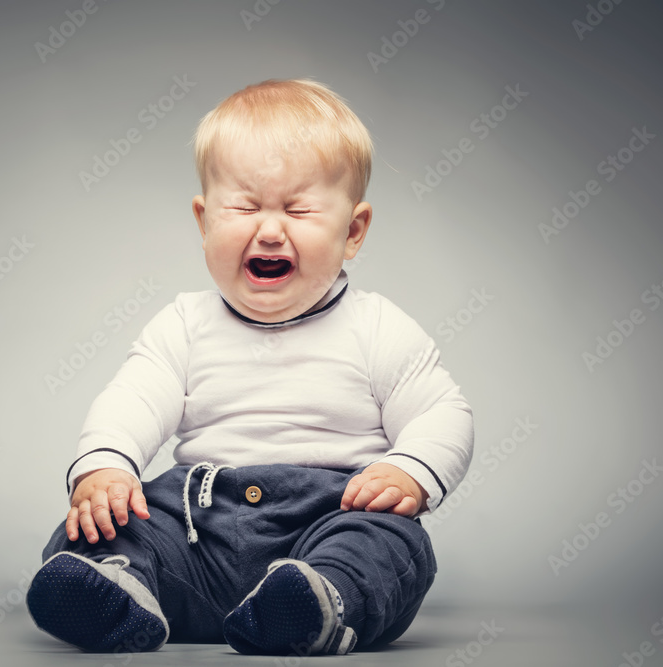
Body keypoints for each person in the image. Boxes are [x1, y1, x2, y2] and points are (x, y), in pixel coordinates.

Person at [27, 78, 474, 656]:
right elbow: (132, 398)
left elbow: (444, 411)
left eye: (299, 208)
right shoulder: (184, 325)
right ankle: (119, 589)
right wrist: (106, 468)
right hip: (196, 531)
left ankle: (320, 599)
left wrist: (411, 471)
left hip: (329, 520)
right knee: (98, 524)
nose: (268, 229)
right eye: (242, 206)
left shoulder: (377, 327)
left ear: (353, 231)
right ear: (204, 220)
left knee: (391, 542)